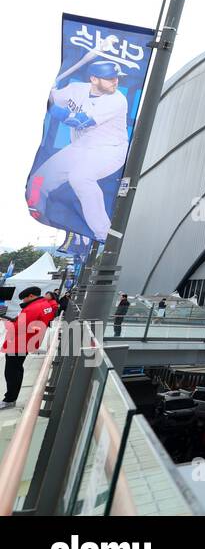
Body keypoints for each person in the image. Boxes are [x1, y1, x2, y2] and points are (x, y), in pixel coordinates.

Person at [25, 61, 130, 242]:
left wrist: (52, 107)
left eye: (116, 78)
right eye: (109, 78)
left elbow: (80, 121)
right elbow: (51, 99)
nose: (115, 82)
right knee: (39, 179)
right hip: (80, 147)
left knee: (80, 177)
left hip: (109, 150)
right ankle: (40, 213)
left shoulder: (117, 99)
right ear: (94, 79)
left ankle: (103, 232)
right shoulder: (76, 89)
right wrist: (47, 93)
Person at [0, 287, 61, 410]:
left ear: (31, 296)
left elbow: (18, 328)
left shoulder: (31, 308)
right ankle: (11, 397)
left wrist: (8, 323)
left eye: (25, 298)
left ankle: (10, 399)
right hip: (29, 341)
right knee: (17, 369)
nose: (24, 300)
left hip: (18, 343)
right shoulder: (45, 305)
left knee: (12, 372)